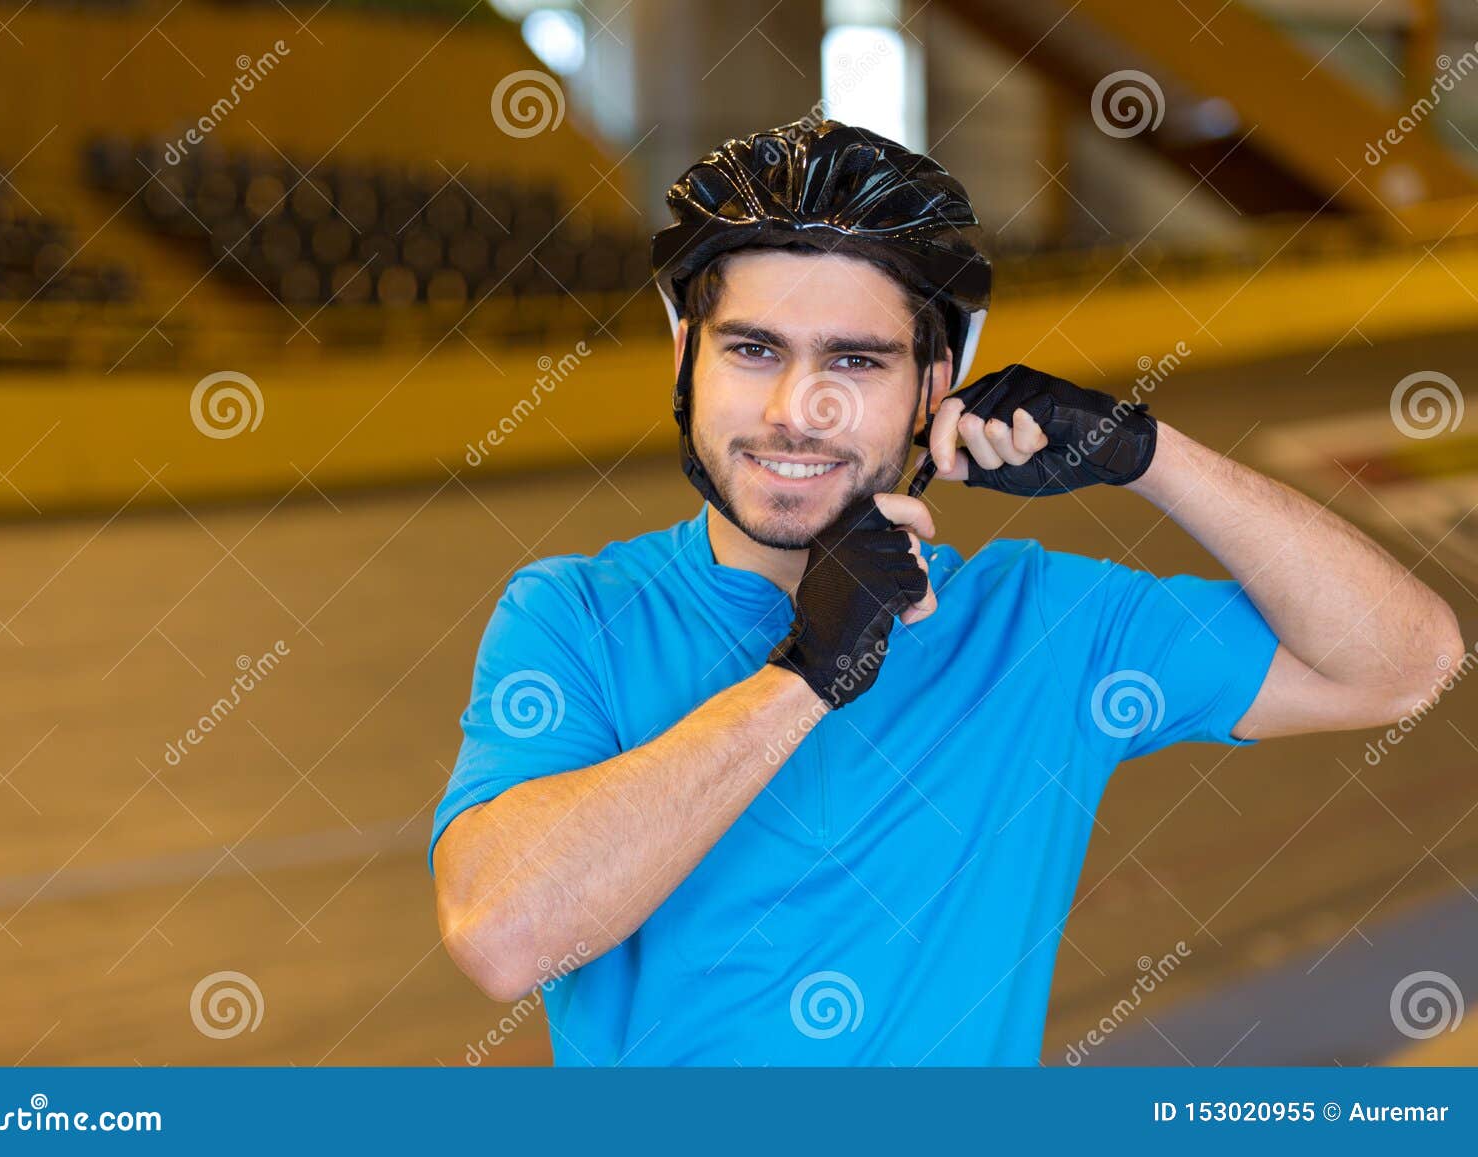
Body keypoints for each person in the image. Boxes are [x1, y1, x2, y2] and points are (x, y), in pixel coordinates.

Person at [428, 120, 1462, 1066]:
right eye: (753, 350)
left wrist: (1147, 455)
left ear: (933, 387)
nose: (798, 408)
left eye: (857, 360)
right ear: (686, 356)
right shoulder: (574, 613)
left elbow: (1401, 663)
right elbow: (503, 934)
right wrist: (805, 674)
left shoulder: (1039, 624)